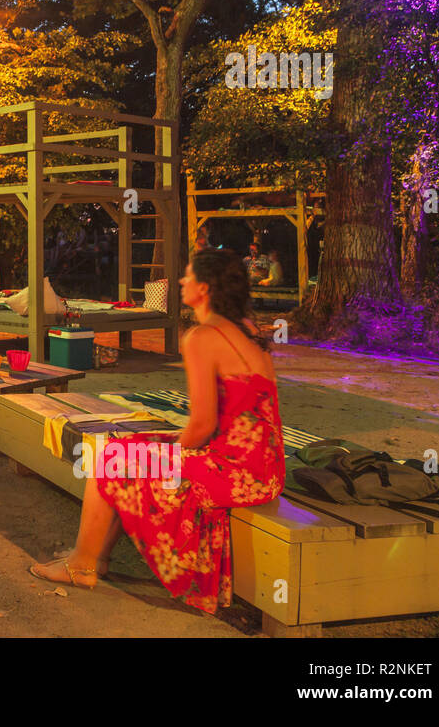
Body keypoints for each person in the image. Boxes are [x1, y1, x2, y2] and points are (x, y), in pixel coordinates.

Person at [29, 249, 284, 615]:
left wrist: (169, 457)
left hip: (234, 470)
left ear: (206, 288)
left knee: (110, 458)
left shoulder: (203, 336)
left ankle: (81, 566)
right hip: (264, 469)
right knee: (129, 446)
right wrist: (160, 451)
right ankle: (93, 556)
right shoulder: (245, 330)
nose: (181, 282)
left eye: (188, 276)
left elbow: (201, 425)